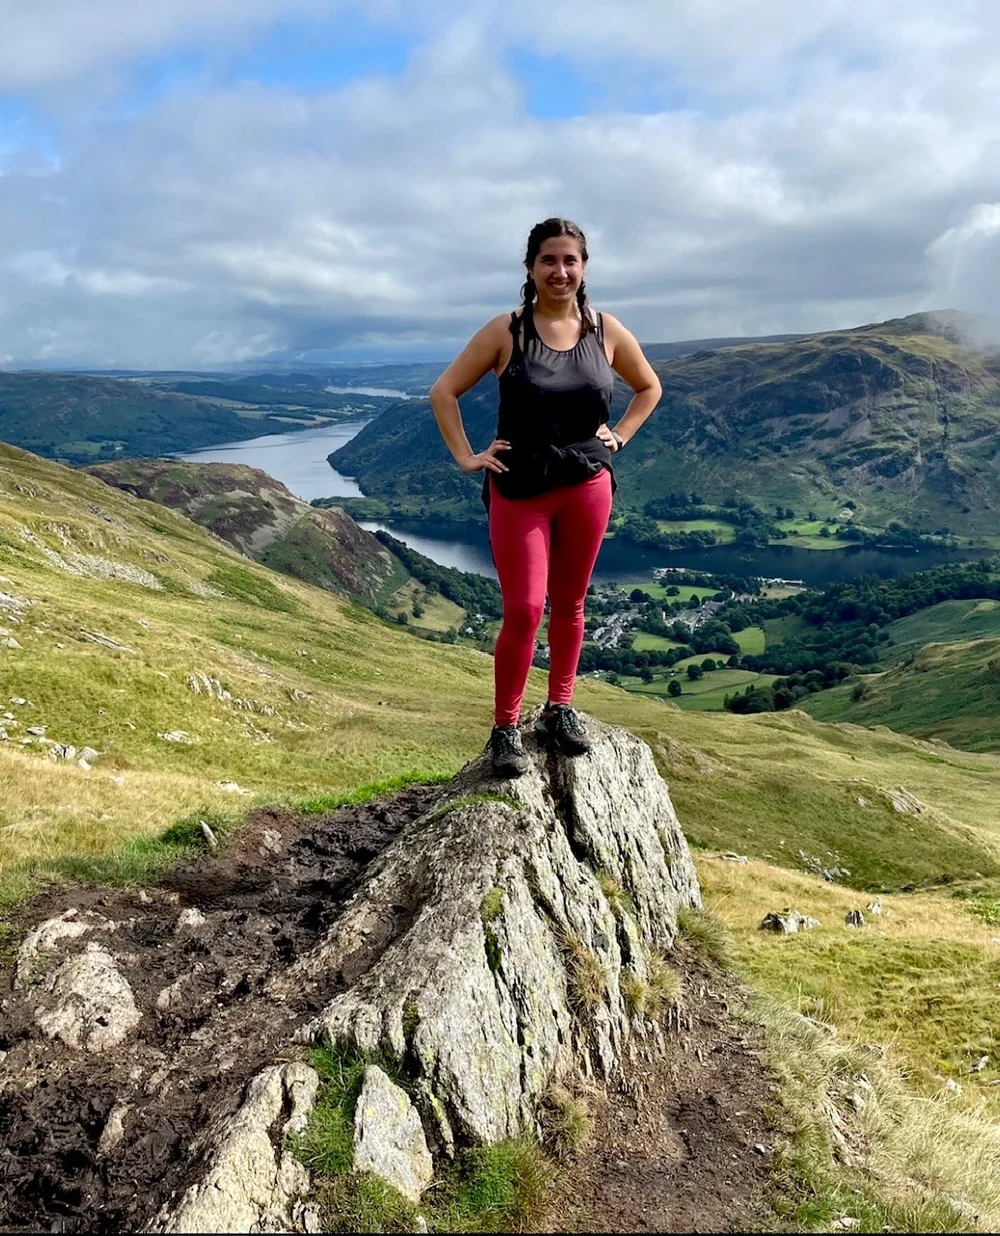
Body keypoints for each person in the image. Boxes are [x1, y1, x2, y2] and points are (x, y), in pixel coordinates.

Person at [429, 217, 661, 777]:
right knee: (526, 608)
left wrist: (621, 434)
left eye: (570, 261)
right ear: (530, 267)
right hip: (520, 487)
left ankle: (560, 709)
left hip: (587, 484)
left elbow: (649, 387)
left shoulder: (604, 329)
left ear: (584, 269)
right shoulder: (506, 331)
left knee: (572, 602)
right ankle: (505, 727)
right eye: (549, 260)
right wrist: (467, 456)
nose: (560, 271)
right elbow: (444, 391)